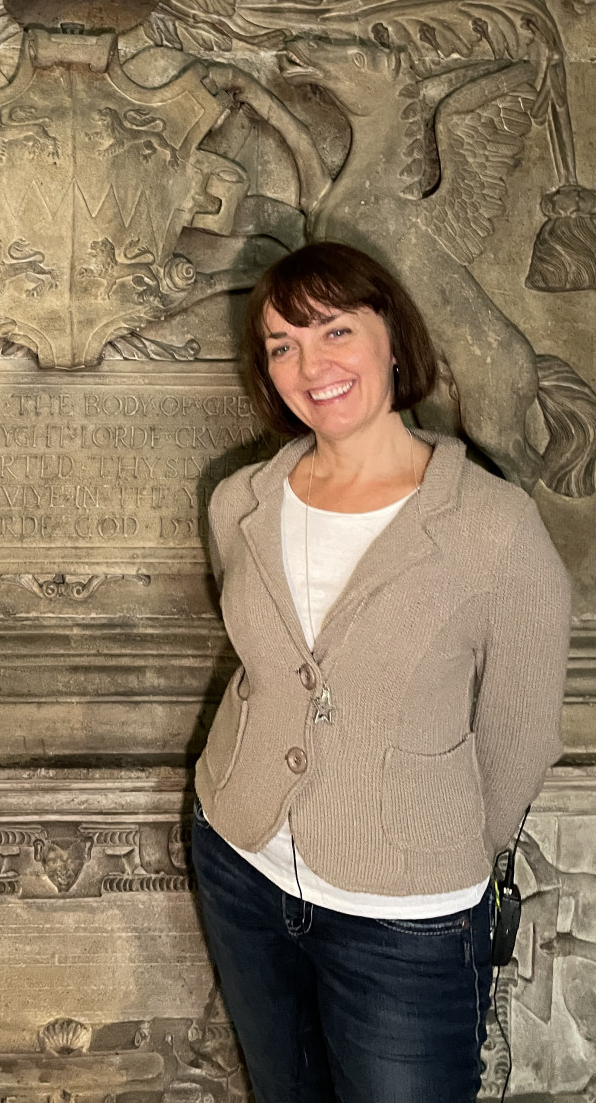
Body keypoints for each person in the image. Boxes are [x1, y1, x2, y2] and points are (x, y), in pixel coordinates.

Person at [191, 241, 572, 1103]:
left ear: (391, 337)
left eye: (333, 330)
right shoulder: (240, 502)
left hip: (407, 918)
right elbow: (269, 672)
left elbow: (519, 732)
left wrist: (430, 853)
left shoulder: (495, 524)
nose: (309, 364)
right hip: (242, 866)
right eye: (282, 345)